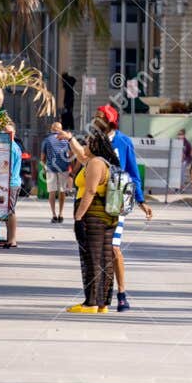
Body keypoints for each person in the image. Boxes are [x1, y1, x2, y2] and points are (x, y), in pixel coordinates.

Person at [93, 105, 149, 312]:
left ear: (110, 120)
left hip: (116, 200)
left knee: (113, 247)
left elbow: (133, 173)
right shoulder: (93, 141)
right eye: (95, 117)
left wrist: (141, 201)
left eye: (100, 117)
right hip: (94, 201)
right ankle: (98, 295)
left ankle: (122, 294)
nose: (96, 120)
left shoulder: (124, 142)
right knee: (96, 250)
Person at [65, 126, 121, 314]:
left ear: (94, 146)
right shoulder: (104, 162)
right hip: (107, 217)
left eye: (87, 143)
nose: (85, 146)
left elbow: (90, 191)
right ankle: (102, 303)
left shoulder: (96, 163)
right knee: (104, 259)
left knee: (92, 259)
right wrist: (70, 138)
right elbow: (80, 155)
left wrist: (79, 216)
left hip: (94, 217)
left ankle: (91, 303)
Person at [40, 121, 73, 224]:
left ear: (51, 129)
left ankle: (54, 215)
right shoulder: (66, 140)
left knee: (52, 192)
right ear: (60, 129)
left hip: (51, 168)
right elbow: (71, 154)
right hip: (64, 168)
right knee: (62, 191)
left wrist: (45, 167)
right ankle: (61, 214)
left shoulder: (46, 140)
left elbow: (42, 158)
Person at [1, 119, 23, 248]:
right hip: (11, 182)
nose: (6, 134)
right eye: (4, 131)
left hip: (11, 183)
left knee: (10, 211)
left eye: (9, 132)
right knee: (7, 211)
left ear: (14, 133)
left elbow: (6, 168)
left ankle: (12, 239)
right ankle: (9, 239)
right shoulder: (11, 147)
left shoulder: (12, 148)